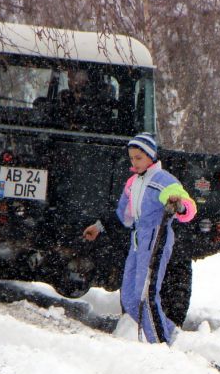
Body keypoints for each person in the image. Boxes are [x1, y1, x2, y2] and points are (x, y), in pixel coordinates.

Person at [82, 133, 196, 344]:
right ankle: (169, 333)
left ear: (151, 156)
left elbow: (188, 207)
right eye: (132, 158)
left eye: (139, 158)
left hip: (155, 237)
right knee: (130, 298)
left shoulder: (163, 180)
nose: (134, 162)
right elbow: (122, 214)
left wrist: (178, 205)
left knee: (146, 295)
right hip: (137, 239)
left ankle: (160, 345)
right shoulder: (133, 182)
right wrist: (99, 227)